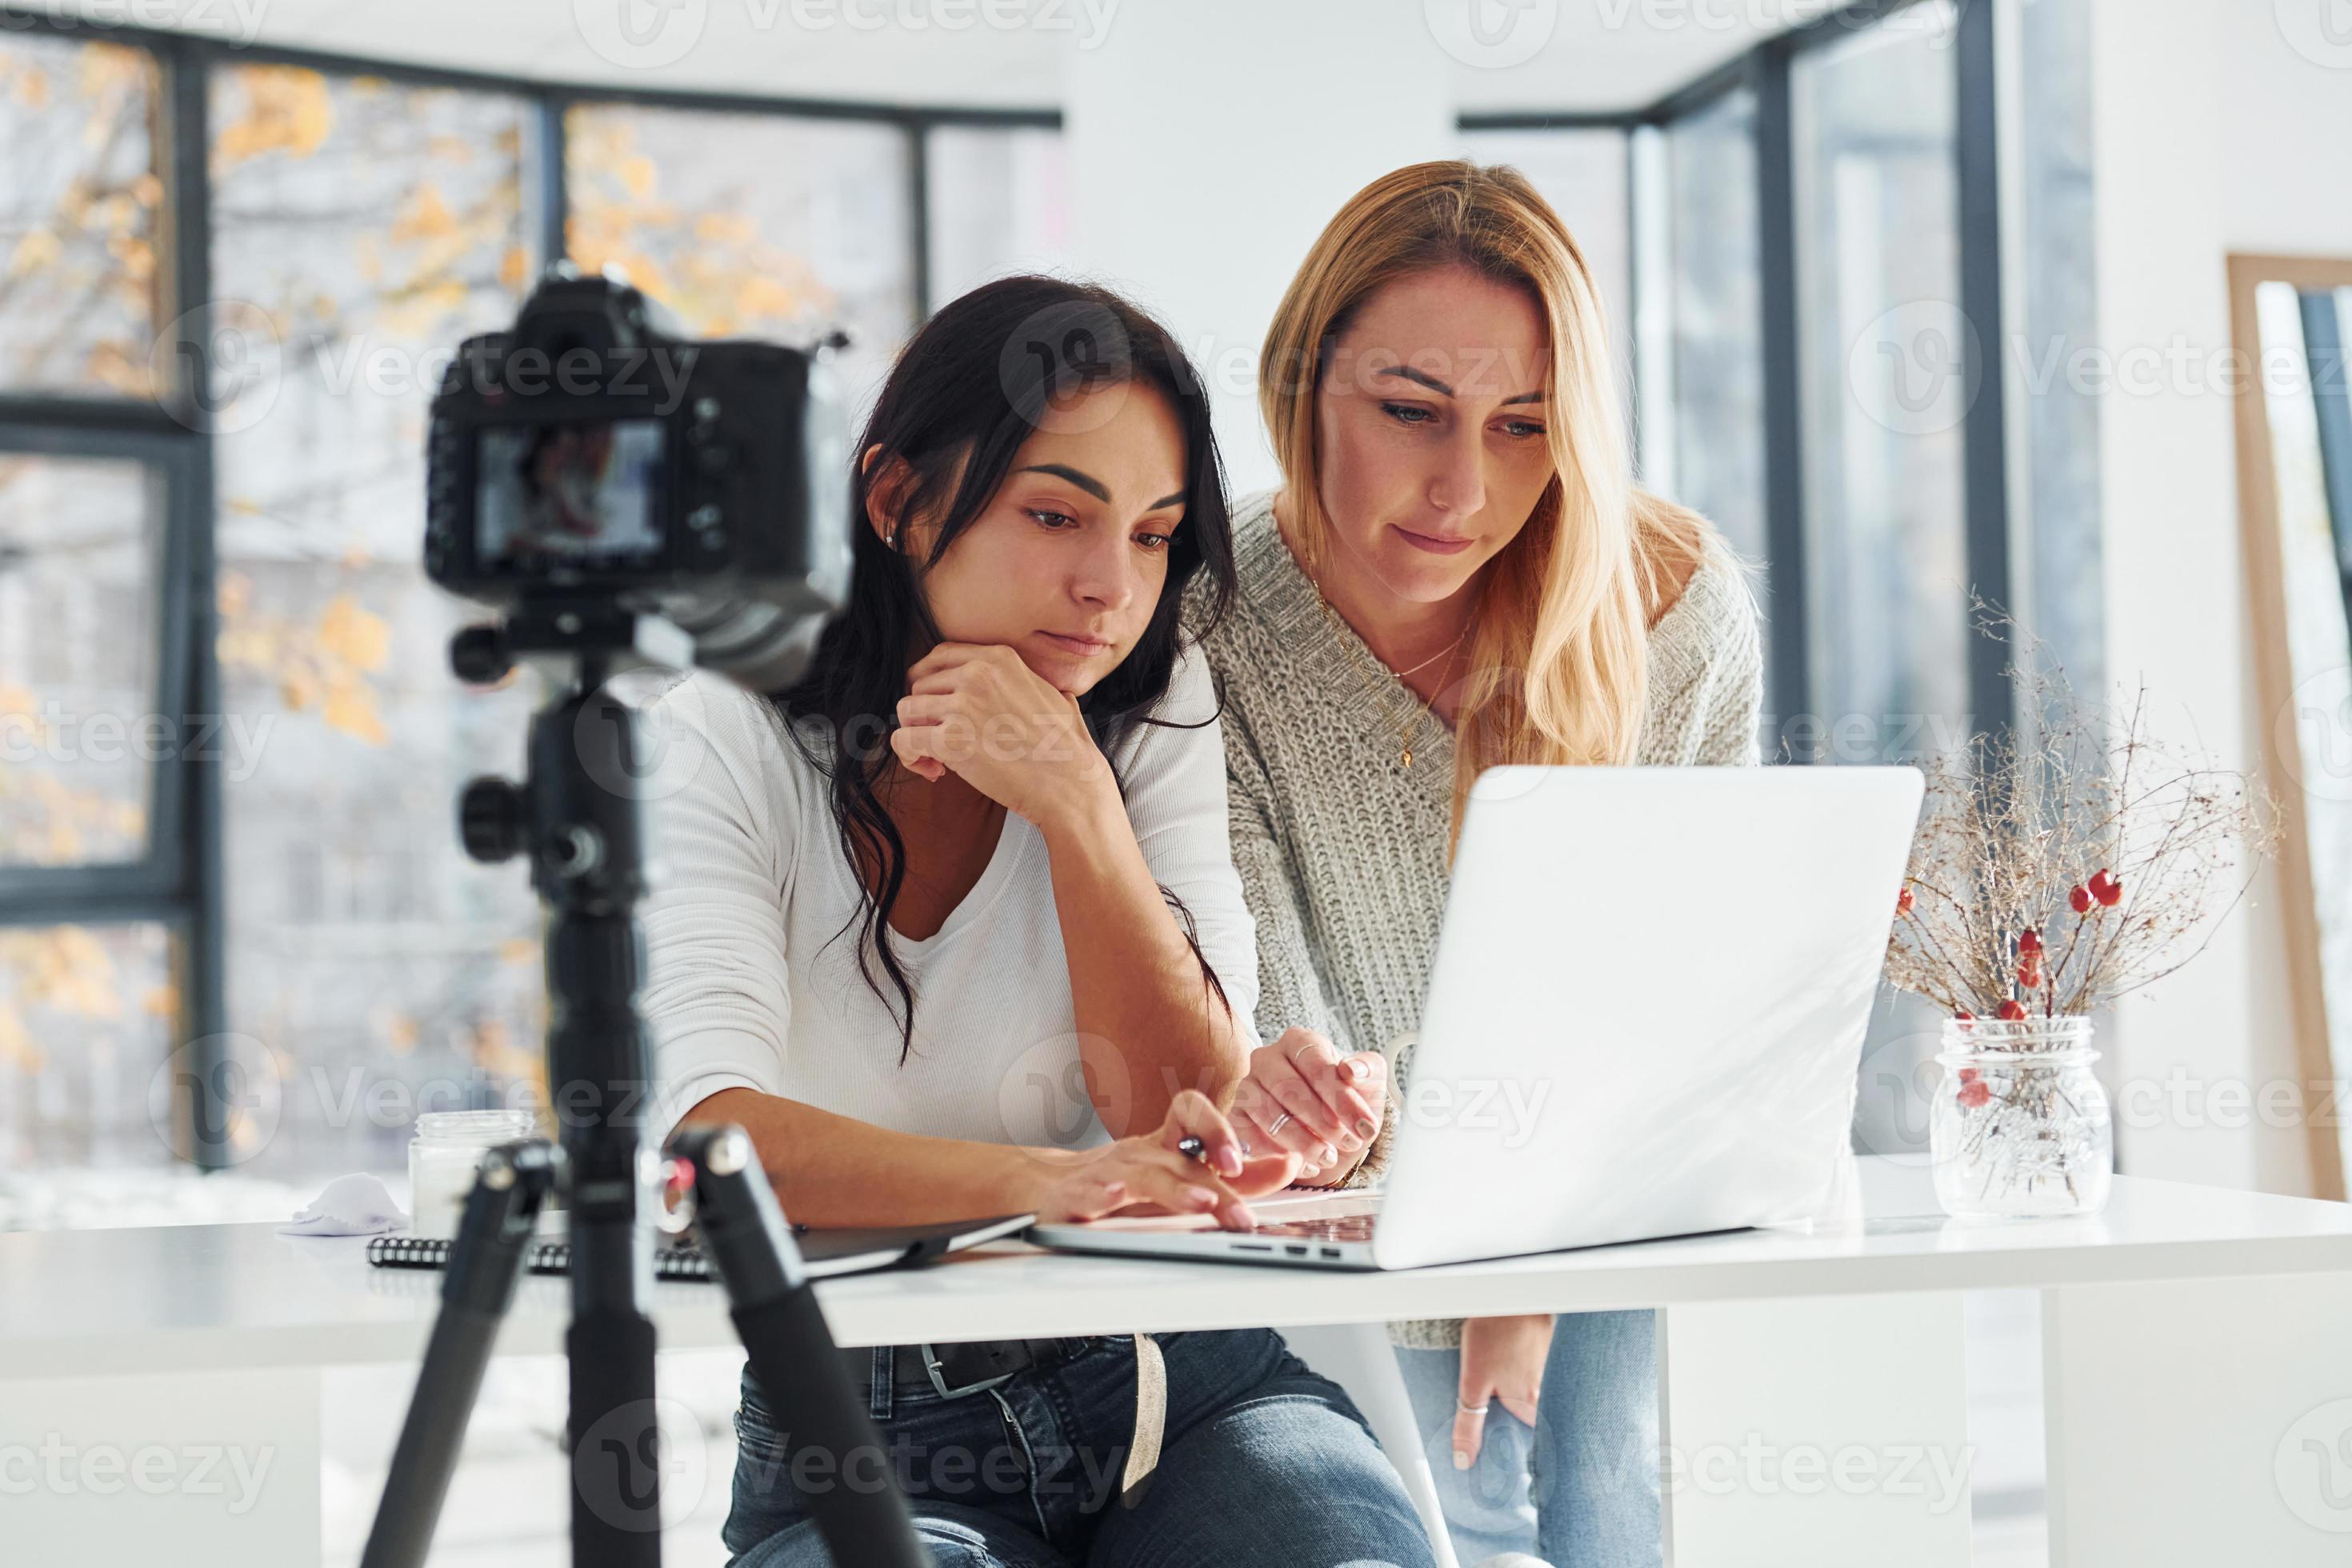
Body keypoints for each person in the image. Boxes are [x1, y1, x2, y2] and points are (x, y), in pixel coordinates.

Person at [635, 274, 1436, 1568]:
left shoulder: (1152, 697)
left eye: (1152, 534)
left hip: (1186, 1383)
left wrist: (1078, 806)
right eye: (1057, 515)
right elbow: (701, 1149)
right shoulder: (720, 736)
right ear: (894, 500)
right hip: (861, 1419)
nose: (1108, 589)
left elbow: (1178, 1107)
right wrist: (1043, 1188)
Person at [1196, 162, 1765, 1567]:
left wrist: (1540, 1256)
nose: (1466, 490)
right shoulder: (1207, 622)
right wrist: (1483, 1228)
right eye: (1409, 413)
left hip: (1611, 1234)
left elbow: (1693, 1004)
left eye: (1525, 426)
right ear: (1300, 378)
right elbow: (1268, 1029)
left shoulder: (1670, 605)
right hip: (1332, 1254)